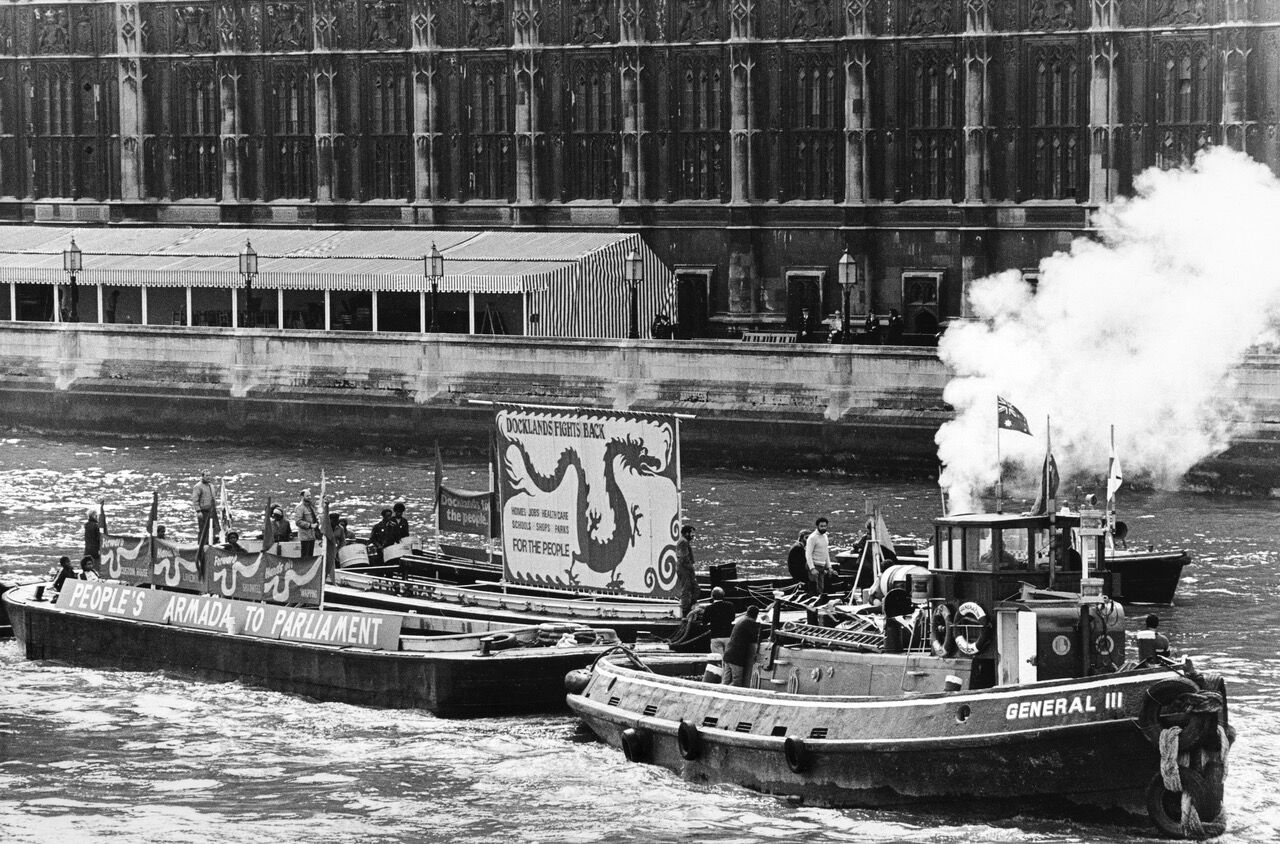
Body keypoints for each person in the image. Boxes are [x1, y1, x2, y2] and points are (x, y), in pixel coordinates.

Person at [720, 605, 762, 687]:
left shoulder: (741, 620)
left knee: (725, 681)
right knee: (737, 683)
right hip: (736, 658)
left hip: (728, 654)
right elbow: (755, 638)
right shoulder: (750, 622)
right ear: (756, 615)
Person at [704, 587, 736, 658]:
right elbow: (733, 618)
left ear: (712, 596)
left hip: (715, 636)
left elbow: (704, 621)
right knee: (729, 659)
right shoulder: (730, 605)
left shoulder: (709, 608)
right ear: (723, 595)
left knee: (718, 659)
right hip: (728, 635)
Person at [675, 523, 699, 616]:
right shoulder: (683, 542)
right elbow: (683, 557)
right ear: (686, 533)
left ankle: (689, 607)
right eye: (691, 533)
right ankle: (686, 611)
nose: (693, 535)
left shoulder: (684, 541)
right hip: (684, 569)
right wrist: (691, 568)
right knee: (686, 589)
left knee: (694, 588)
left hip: (685, 568)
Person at [806, 516, 832, 595]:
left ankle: (820, 600)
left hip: (822, 566)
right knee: (814, 588)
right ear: (817, 526)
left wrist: (829, 567)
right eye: (821, 526)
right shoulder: (812, 537)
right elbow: (808, 554)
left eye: (825, 526)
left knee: (821, 588)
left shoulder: (825, 536)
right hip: (814, 565)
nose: (823, 528)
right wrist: (812, 568)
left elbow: (826, 552)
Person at [293, 488, 319, 557]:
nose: (309, 497)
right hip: (304, 536)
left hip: (312, 535)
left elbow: (314, 517)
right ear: (302, 497)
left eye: (310, 495)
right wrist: (310, 525)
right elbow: (298, 521)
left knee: (310, 555)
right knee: (305, 556)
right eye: (307, 496)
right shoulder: (300, 507)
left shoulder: (311, 506)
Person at [191, 471, 215, 542]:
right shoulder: (198, 486)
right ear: (202, 476)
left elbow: (213, 498)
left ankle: (210, 542)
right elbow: (195, 500)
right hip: (203, 511)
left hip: (211, 511)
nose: (208, 477)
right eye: (206, 475)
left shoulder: (211, 486)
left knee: (212, 528)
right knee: (203, 529)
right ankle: (201, 544)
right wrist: (198, 511)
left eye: (209, 475)